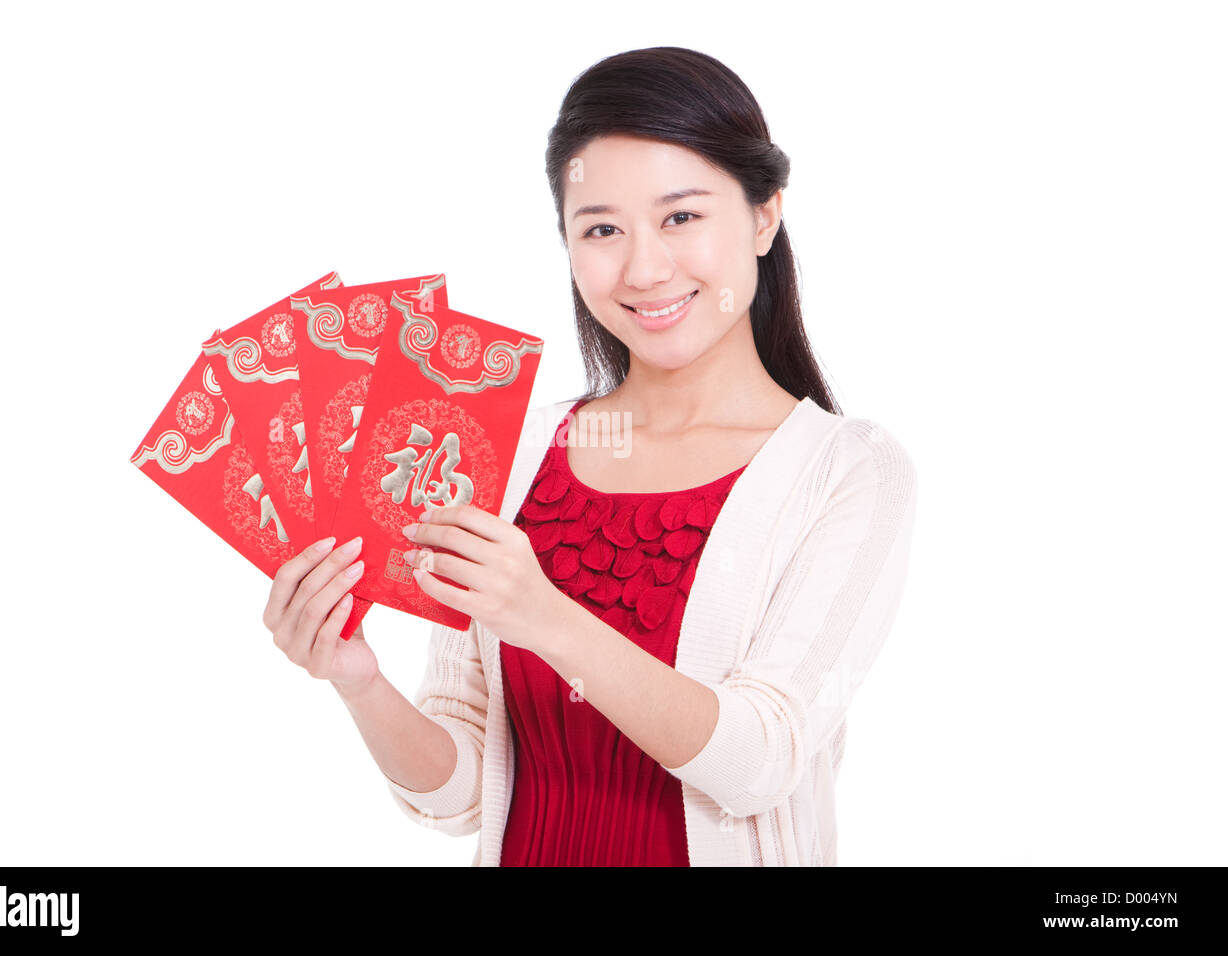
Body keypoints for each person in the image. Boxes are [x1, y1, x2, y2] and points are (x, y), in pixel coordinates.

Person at [262, 46, 918, 866]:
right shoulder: (519, 449)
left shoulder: (845, 472)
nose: (644, 268)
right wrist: (356, 678)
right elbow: (464, 794)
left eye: (682, 216)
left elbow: (760, 761)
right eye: (602, 229)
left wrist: (542, 616)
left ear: (763, 215)